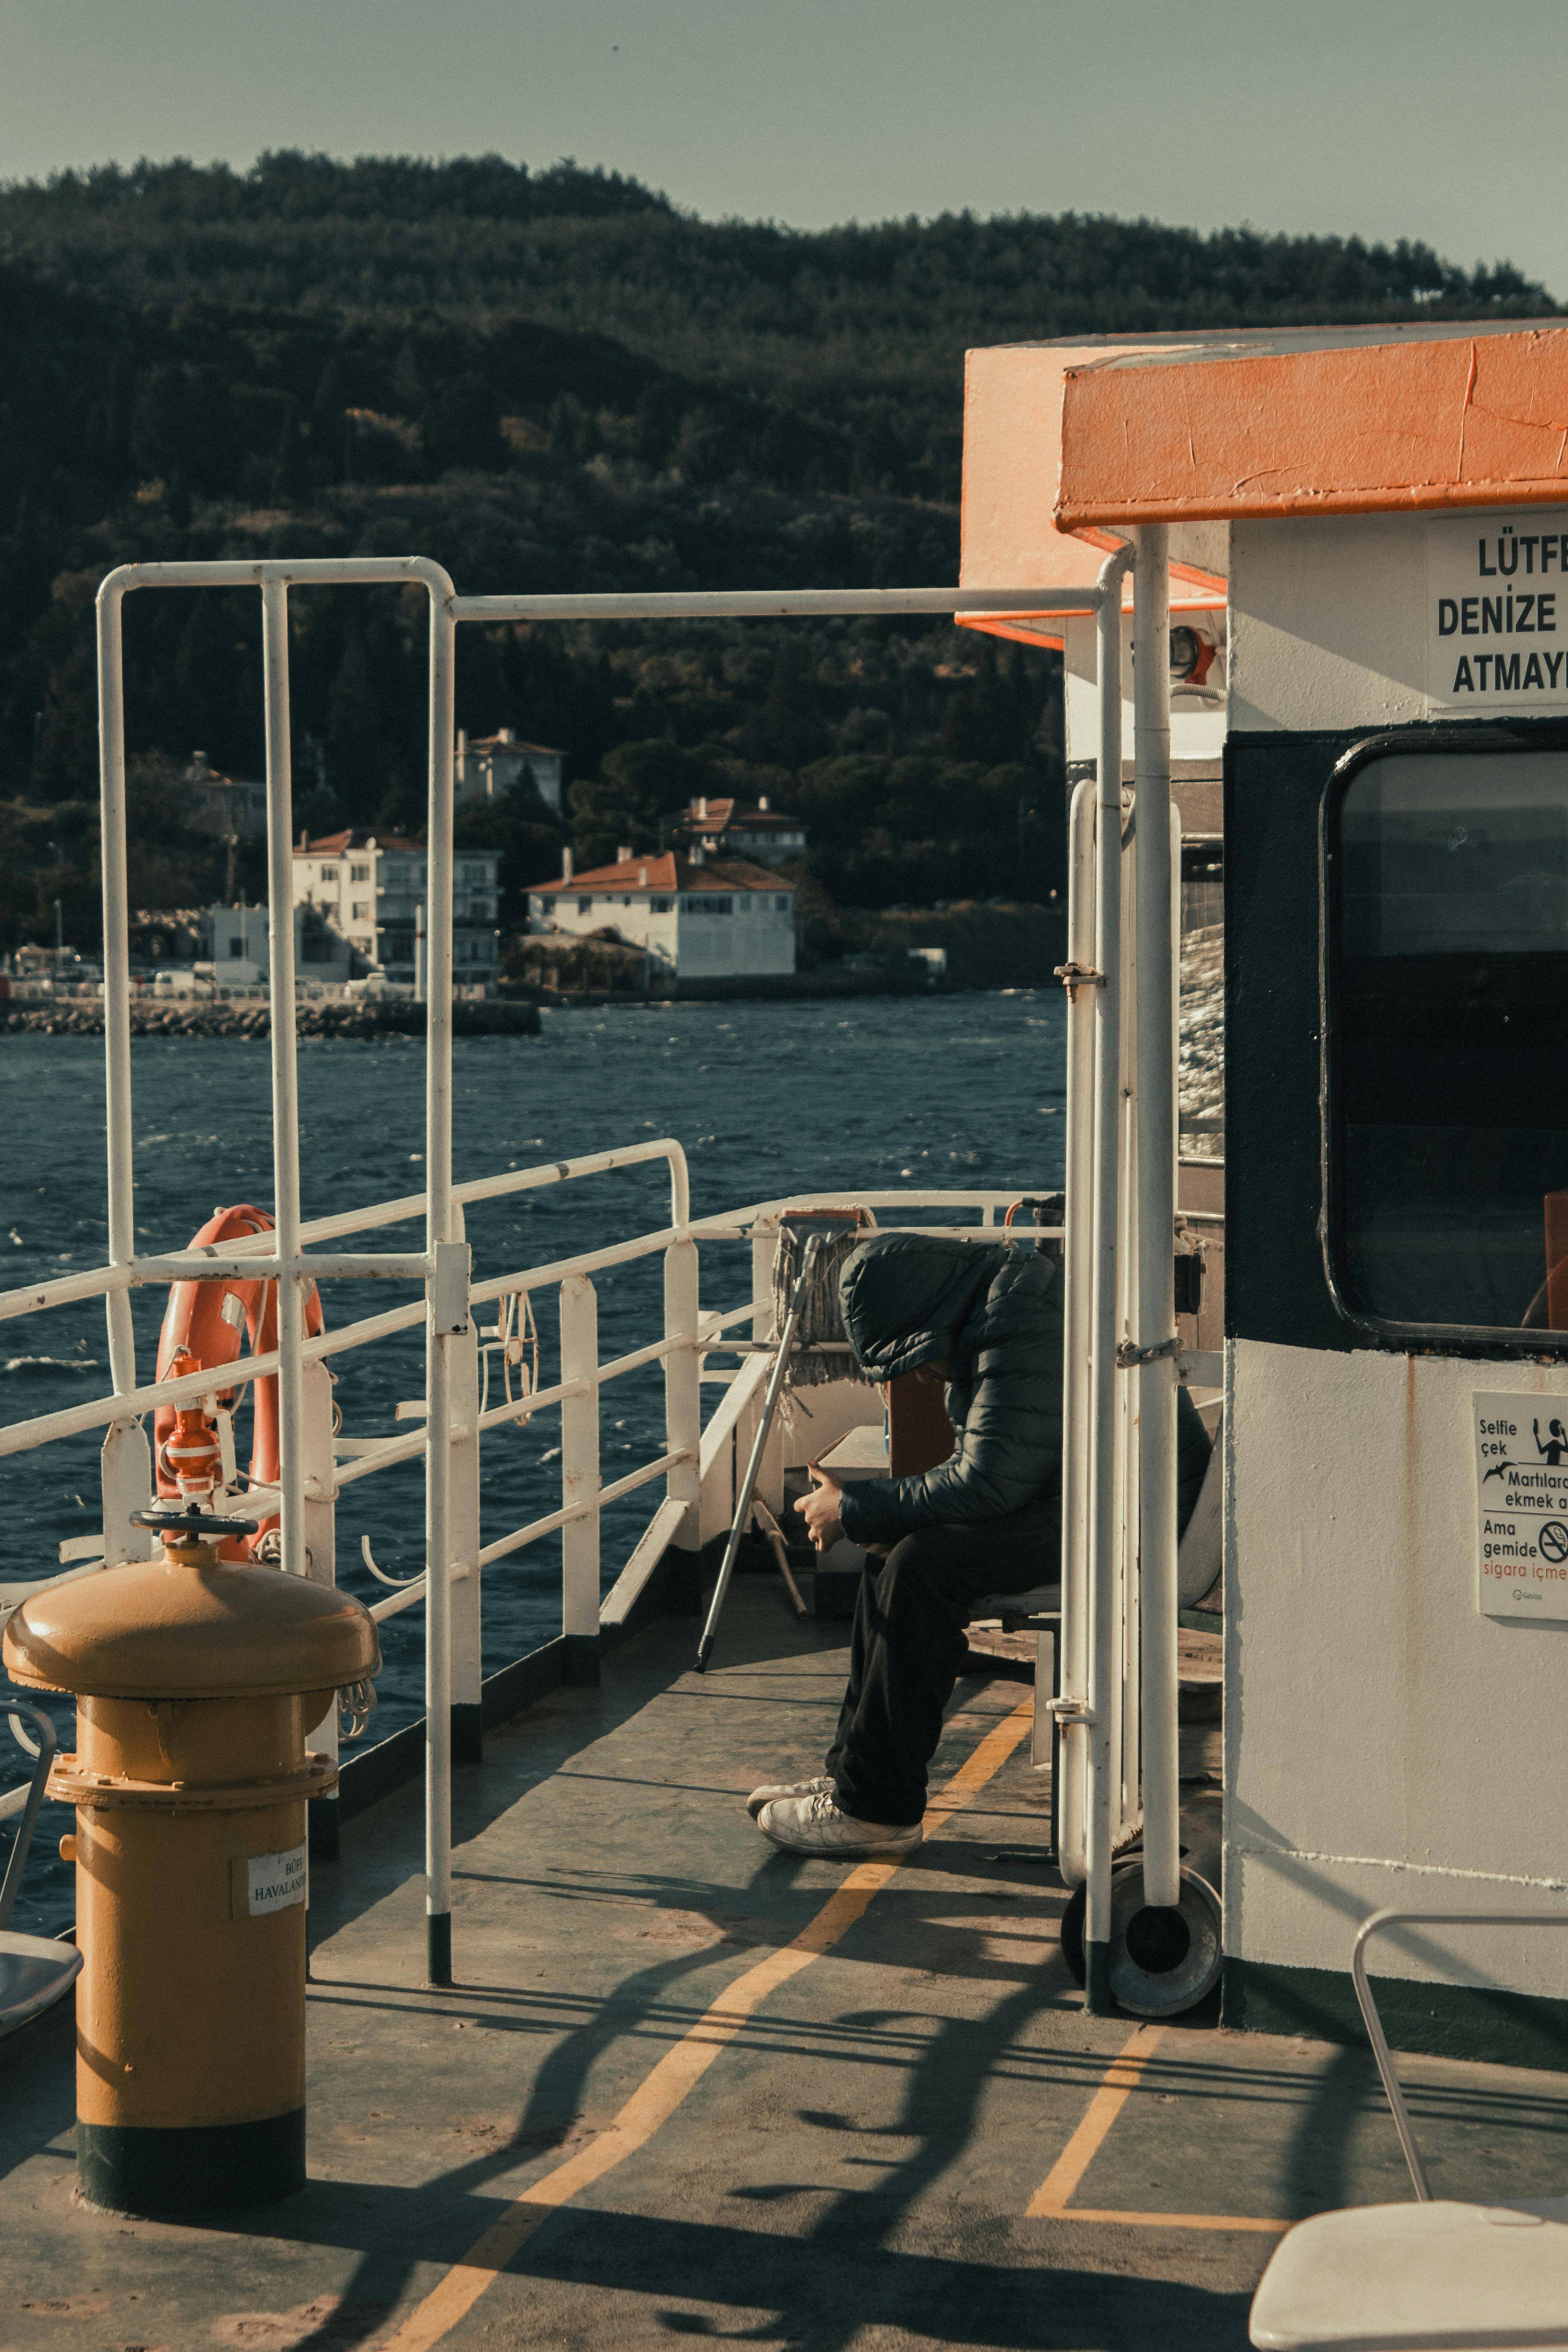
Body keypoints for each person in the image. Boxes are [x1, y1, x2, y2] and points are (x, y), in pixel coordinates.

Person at [748, 1230, 1210, 1858]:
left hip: (1134, 1520)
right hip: (1106, 1500)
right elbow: (1001, 1474)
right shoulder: (1008, 1302)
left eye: (918, 1356)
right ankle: (856, 1778)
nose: (924, 1373)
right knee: (894, 1549)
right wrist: (870, 1516)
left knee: (922, 1566)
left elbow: (986, 1486)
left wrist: (851, 1508)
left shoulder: (1018, 1326)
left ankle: (877, 1811)